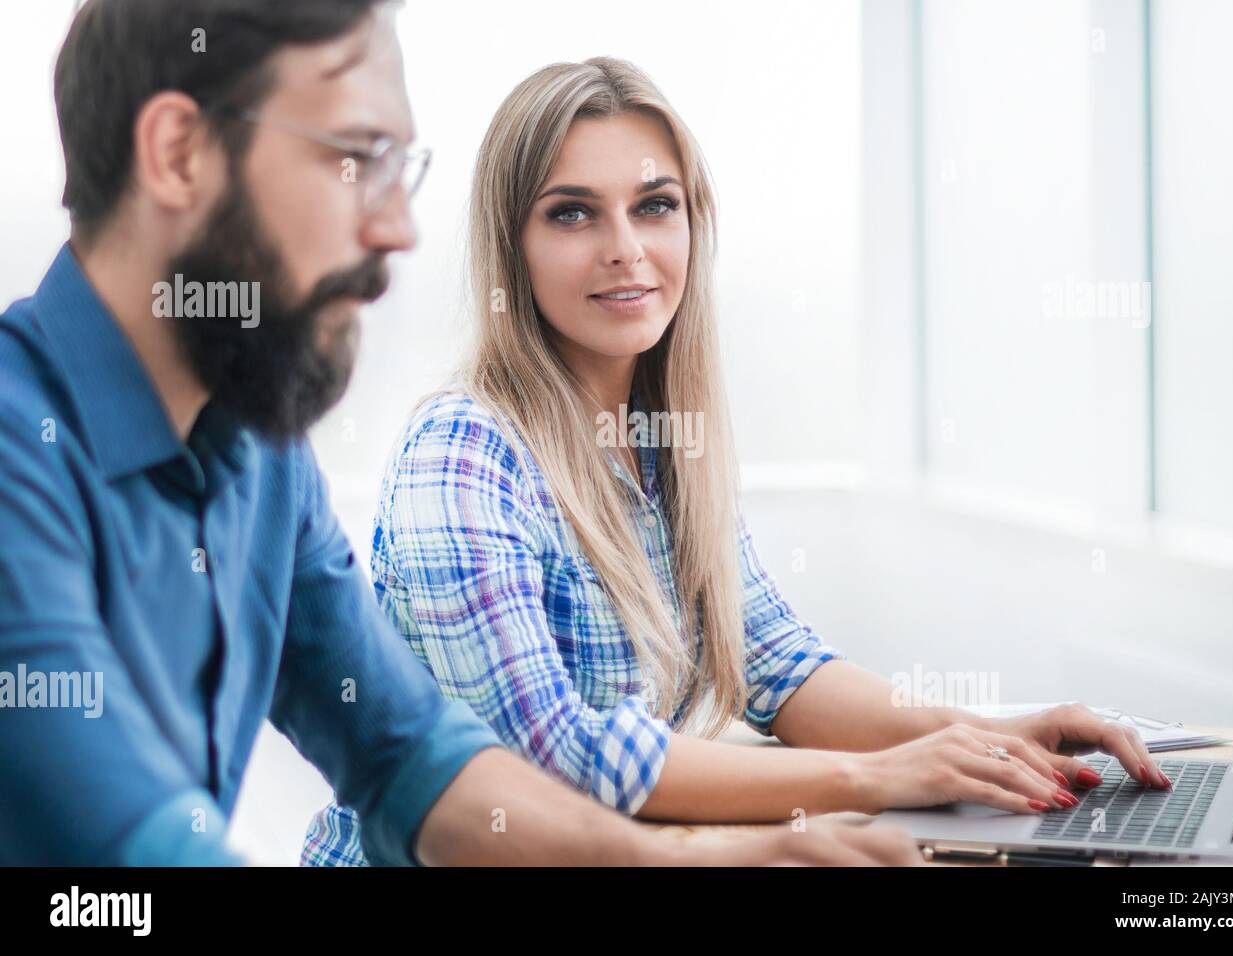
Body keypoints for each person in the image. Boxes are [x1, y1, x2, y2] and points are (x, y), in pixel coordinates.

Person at [0, 0, 919, 867]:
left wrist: (711, 859)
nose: (399, 228)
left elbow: (417, 761)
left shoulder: (259, 457)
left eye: (404, 169)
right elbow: (122, 867)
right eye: (355, 157)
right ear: (177, 153)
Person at [304, 56, 1170, 866]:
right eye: (572, 212)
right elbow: (553, 756)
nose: (625, 247)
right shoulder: (461, 456)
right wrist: (875, 779)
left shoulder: (663, 442)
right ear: (512, 246)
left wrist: (979, 737)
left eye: (655, 205)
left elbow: (780, 664)